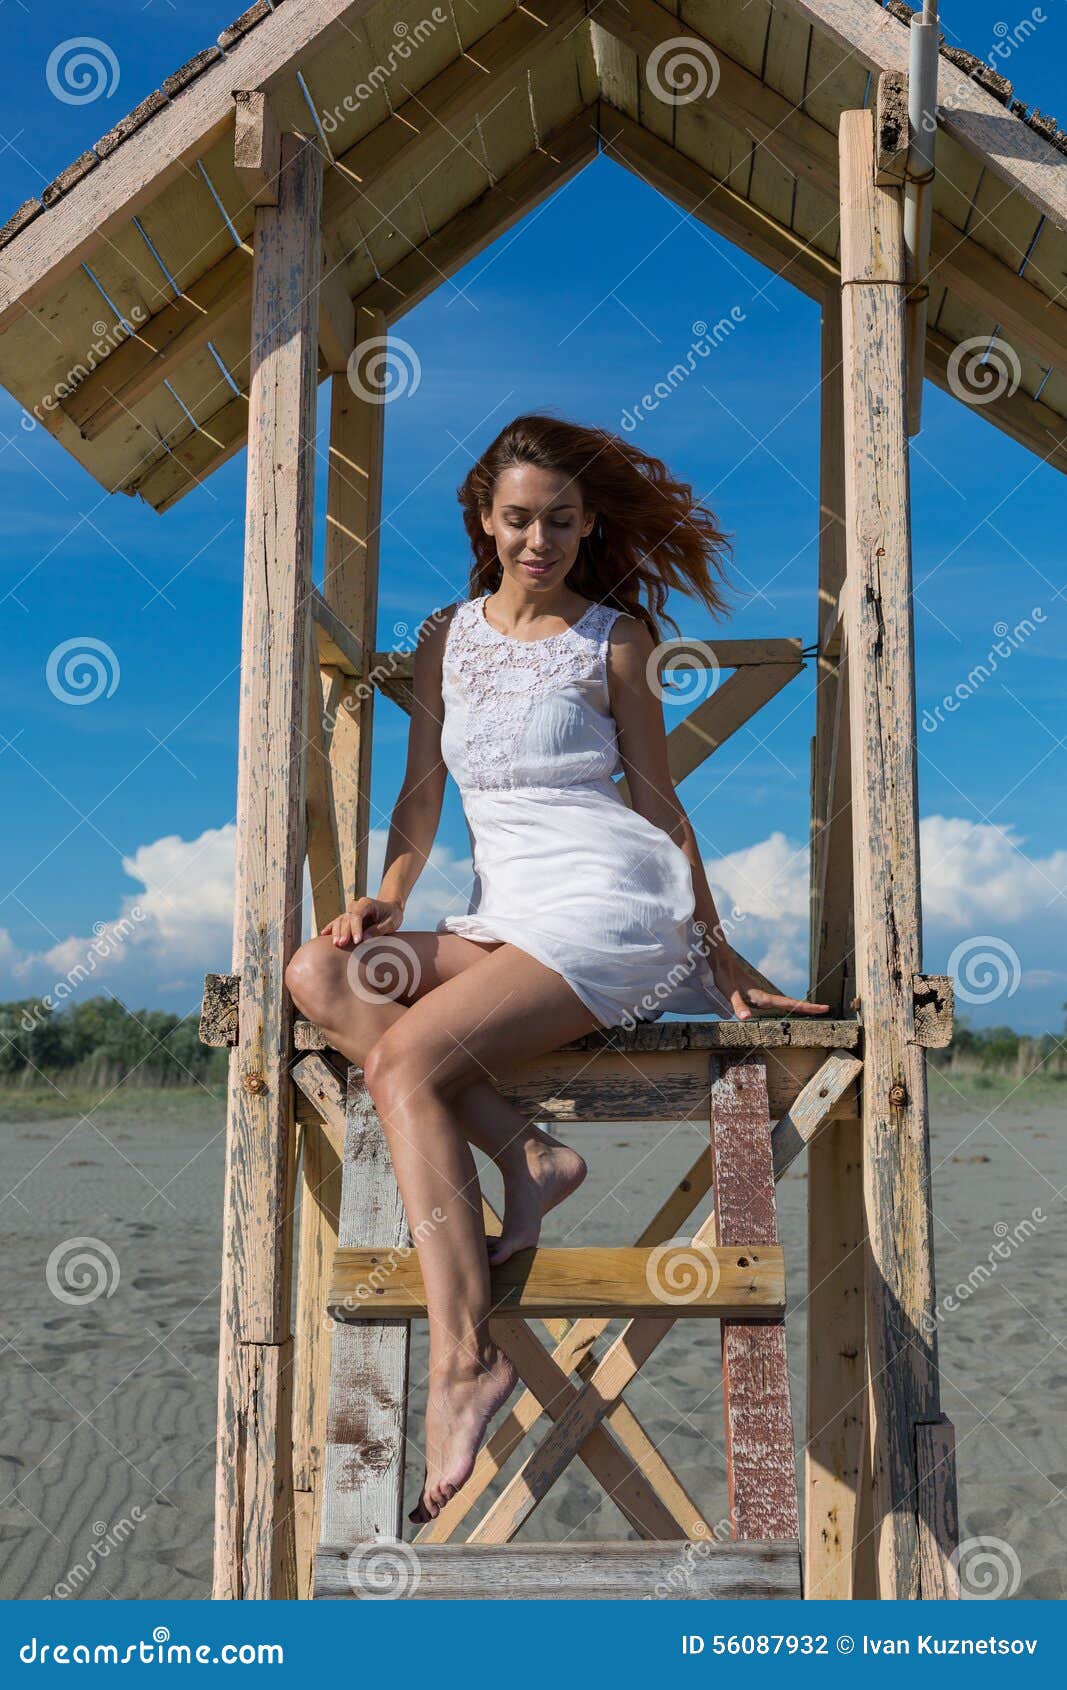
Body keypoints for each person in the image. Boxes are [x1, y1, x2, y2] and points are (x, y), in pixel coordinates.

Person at [285, 413, 829, 1526]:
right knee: (319, 976)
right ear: (485, 519)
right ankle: (525, 1157)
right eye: (519, 519)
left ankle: (462, 1362)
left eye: (561, 522)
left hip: (608, 907)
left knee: (403, 1068)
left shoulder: (611, 638)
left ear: (585, 527)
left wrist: (714, 949)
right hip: (503, 915)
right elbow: (420, 792)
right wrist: (388, 892)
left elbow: (658, 802)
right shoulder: (447, 634)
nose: (540, 540)